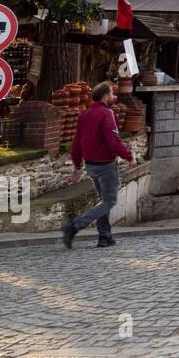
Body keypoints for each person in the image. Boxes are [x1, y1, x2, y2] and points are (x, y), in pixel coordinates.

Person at [61, 82, 135, 249]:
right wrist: (129, 156)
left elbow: (76, 143)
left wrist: (77, 167)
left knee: (103, 202)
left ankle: (105, 236)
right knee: (109, 201)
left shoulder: (85, 115)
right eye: (111, 93)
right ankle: (74, 226)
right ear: (105, 96)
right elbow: (113, 141)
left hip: (91, 165)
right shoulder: (106, 113)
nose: (114, 97)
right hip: (106, 165)